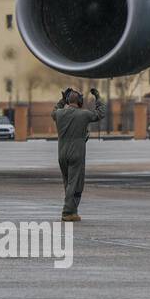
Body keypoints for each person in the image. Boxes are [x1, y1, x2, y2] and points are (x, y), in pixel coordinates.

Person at [52, 87, 105, 223]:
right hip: (76, 153)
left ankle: (73, 211)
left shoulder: (59, 113)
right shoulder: (83, 114)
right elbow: (100, 113)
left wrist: (63, 99)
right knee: (75, 183)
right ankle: (67, 212)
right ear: (80, 102)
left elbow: (54, 111)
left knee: (68, 183)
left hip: (62, 153)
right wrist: (98, 98)